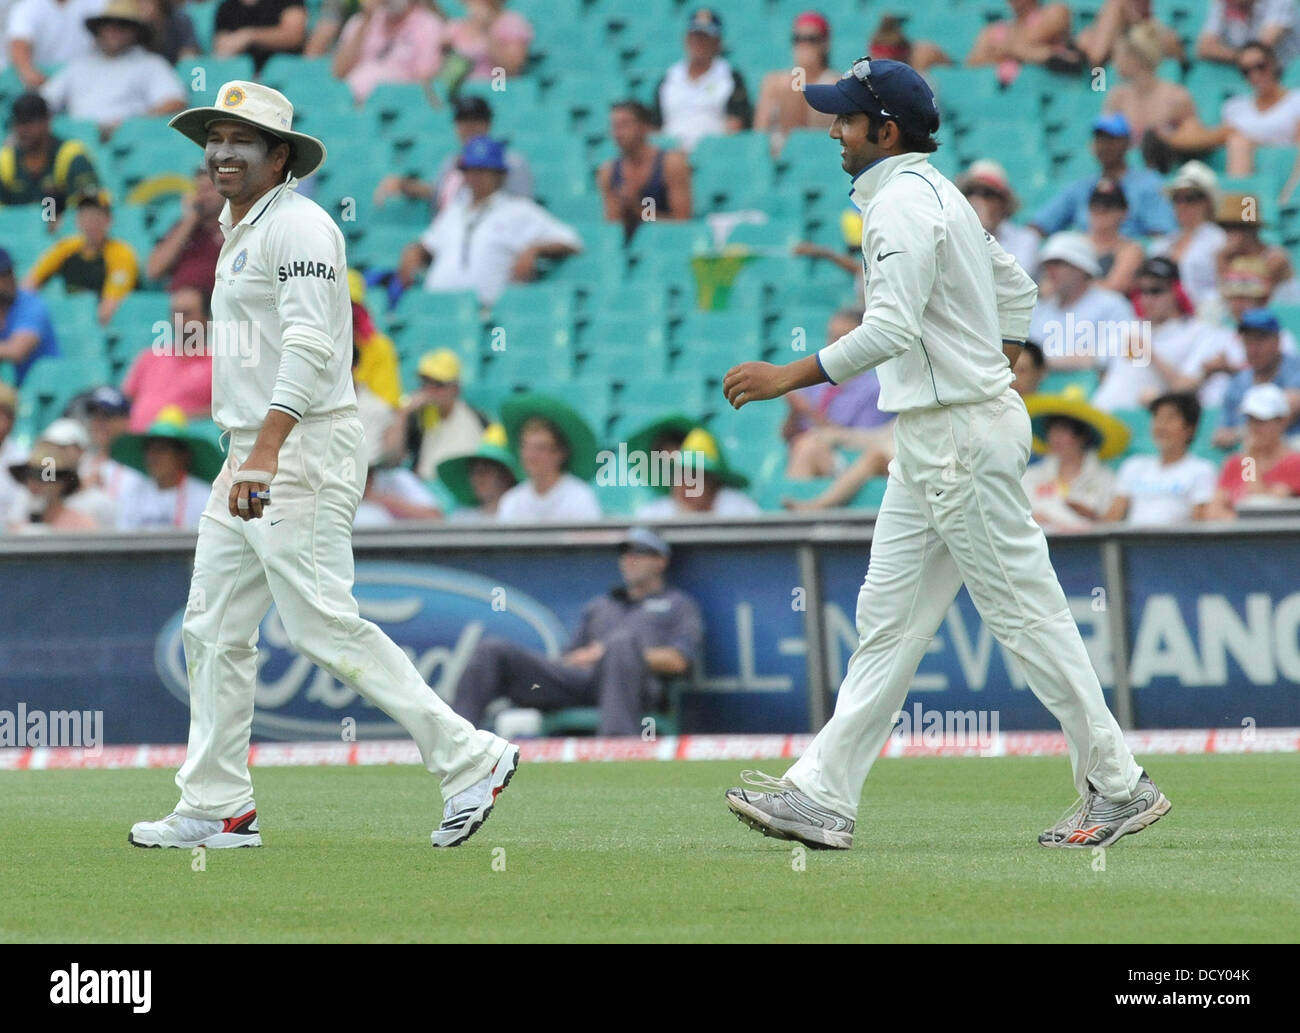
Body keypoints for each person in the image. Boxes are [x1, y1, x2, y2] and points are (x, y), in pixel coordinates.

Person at [718, 57, 1167, 851]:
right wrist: (982, 369)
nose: (834, 131)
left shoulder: (899, 208)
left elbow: (891, 330)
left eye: (847, 120)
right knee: (887, 621)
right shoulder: (941, 196)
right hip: (938, 431)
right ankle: (822, 794)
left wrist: (789, 376)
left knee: (1024, 614)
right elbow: (1019, 293)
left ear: (885, 131)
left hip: (956, 433)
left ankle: (1122, 785)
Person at [127, 80, 517, 852]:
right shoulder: (240, 225)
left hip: (296, 446)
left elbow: (310, 348)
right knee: (211, 626)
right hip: (251, 450)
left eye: (241, 140)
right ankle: (218, 803)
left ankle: (470, 755)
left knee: (320, 624)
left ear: (280, 157)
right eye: (214, 138)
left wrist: (266, 450)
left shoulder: (300, 227)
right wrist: (249, 451)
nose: (221, 152)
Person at [452, 526, 703, 737]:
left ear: (661, 560)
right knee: (492, 649)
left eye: (639, 552)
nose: (629, 559)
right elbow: (568, 659)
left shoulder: (678, 604)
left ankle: (617, 753)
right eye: (625, 552)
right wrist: (584, 659)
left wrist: (609, 652)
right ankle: (455, 744)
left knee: (621, 643)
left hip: (637, 686)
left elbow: (679, 661)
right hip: (581, 683)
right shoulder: (600, 606)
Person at [397, 135, 581, 308]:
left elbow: (571, 240)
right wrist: (414, 249)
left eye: (483, 171)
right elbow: (429, 244)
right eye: (470, 170)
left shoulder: (519, 210)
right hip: (438, 307)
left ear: (500, 175)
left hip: (489, 314)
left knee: (496, 340)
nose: (475, 177)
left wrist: (534, 250)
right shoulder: (454, 211)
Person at [1092, 256, 1222, 411]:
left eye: (1156, 291)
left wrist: (1151, 357)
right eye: (1141, 291)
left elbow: (1185, 387)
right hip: (1101, 413)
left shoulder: (1198, 333)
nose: (1147, 299)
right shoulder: (1129, 328)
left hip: (1146, 421)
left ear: (1176, 291)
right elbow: (1096, 364)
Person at [40, 0, 186, 136]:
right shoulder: (79, 65)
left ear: (135, 31)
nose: (113, 30)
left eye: (122, 24)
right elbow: (44, 101)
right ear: (99, 29)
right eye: (107, 24)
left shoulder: (150, 63)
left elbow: (174, 102)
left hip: (126, 145)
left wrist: (129, 125)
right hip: (78, 139)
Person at [372, 93, 534, 214]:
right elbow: (441, 196)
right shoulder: (452, 162)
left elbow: (521, 209)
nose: (468, 127)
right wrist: (406, 186)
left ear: (488, 123)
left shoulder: (511, 162)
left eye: (475, 120)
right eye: (462, 120)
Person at [1029, 113, 1175, 240]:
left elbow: (1161, 234)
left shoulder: (1148, 183)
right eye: (1100, 139)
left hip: (1130, 259)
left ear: (1127, 142)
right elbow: (1039, 226)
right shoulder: (1081, 187)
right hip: (1086, 259)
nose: (1104, 146)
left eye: (1111, 139)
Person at [23, 187, 138, 324]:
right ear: (77, 220)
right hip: (71, 319)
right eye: (85, 215)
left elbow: (109, 307)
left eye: (96, 216)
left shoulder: (121, 254)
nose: (90, 222)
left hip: (103, 327)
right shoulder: (66, 248)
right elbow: (29, 285)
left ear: (109, 220)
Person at [1026, 232, 1135, 371]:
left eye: (1058, 264)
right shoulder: (1040, 308)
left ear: (1082, 268)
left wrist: (1047, 363)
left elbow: (1121, 352)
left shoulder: (1112, 304)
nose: (1050, 271)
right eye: (1047, 265)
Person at [649, 7, 753, 153]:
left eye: (705, 37)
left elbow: (735, 125)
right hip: (671, 157)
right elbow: (656, 127)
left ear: (717, 41)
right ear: (686, 38)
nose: (699, 42)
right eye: (695, 36)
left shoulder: (730, 77)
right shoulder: (668, 78)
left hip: (713, 155)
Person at [1021, 388, 1126, 531]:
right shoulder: (1031, 475)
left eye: (1064, 432)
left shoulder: (1105, 478)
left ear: (1082, 436)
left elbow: (1108, 525)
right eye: (1053, 431)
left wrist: (1090, 517)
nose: (1056, 439)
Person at [1104, 392, 1217, 524]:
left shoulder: (1201, 470)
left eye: (1170, 418)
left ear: (1189, 428)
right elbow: (1113, 516)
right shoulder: (1134, 466)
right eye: (1157, 417)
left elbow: (1200, 522)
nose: (1161, 426)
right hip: (1134, 541)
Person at [109, 405, 222, 529]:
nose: (153, 457)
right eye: (150, 450)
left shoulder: (203, 498)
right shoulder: (134, 495)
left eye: (161, 449)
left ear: (182, 456)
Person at [495, 392, 600, 522]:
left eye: (540, 448)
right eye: (525, 446)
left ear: (560, 454)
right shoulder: (512, 501)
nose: (530, 455)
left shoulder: (579, 497)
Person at [596, 100, 692, 242]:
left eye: (625, 125)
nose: (618, 133)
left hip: (668, 244)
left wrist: (638, 210)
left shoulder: (671, 164)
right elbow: (613, 228)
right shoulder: (608, 171)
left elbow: (682, 223)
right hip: (629, 248)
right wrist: (625, 209)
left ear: (644, 127)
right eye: (615, 126)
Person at [120, 286, 213, 430]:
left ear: (206, 318)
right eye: (174, 313)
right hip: (137, 444)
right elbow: (123, 402)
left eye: (186, 314)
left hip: (184, 445)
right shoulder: (149, 357)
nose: (179, 320)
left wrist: (178, 419)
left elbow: (226, 412)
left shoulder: (216, 364)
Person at [384, 348, 484, 479]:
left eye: (438, 384)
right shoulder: (419, 416)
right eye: (425, 382)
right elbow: (390, 459)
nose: (429, 390)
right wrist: (403, 414)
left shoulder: (473, 419)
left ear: (456, 388)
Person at [1099, 24, 1197, 156]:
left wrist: (1169, 139)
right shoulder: (1117, 97)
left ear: (1135, 58)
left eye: (1118, 55)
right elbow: (1103, 142)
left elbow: (1195, 139)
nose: (1114, 63)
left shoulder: (1178, 98)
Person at [1207, 382, 1300, 517]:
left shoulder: (1295, 463)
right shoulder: (1234, 463)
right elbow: (1212, 511)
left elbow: (1261, 510)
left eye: (1262, 420)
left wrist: (1250, 459)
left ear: (1282, 421)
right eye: (1250, 419)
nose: (1254, 427)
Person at [752, 10, 837, 156]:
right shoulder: (774, 81)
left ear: (825, 43)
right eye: (798, 39)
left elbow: (800, 133)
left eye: (811, 39)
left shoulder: (835, 82)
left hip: (816, 156)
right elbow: (759, 133)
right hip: (777, 157)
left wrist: (800, 74)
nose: (804, 45)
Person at [1213, 308, 1300, 448]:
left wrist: (1238, 433)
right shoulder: (1238, 382)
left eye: (1260, 340)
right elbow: (1221, 434)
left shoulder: (1295, 368)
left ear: (1277, 340)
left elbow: (1286, 409)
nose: (1253, 349)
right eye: (1248, 341)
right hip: (1253, 456)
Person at [0, 92, 99, 212]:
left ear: (47, 121)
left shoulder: (71, 154)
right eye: (18, 123)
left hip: (65, 230)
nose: (23, 130)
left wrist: (60, 222)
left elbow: (90, 210)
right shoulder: (6, 159)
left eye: (30, 123)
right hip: (19, 230)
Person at [1147, 161, 1226, 311]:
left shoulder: (1219, 240)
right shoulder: (1162, 244)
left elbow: (1224, 286)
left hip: (1206, 314)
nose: (1182, 205)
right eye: (1177, 198)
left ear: (1207, 202)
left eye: (1191, 198)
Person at [635, 426, 761, 519]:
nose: (684, 485)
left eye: (694, 476)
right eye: (678, 475)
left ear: (712, 482)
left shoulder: (740, 511)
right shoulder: (654, 515)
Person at [332, 0, 443, 105]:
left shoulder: (429, 25)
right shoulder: (359, 22)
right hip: (349, 105)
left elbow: (424, 81)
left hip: (396, 107)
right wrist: (366, 20)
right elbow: (339, 72)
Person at [955, 159, 1038, 275]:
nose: (976, 199)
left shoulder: (1025, 240)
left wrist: (982, 232)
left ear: (1003, 203)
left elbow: (1014, 282)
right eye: (970, 192)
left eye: (987, 193)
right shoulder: (954, 237)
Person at [1213, 190, 1297, 301]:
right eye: (1226, 227)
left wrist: (1224, 261)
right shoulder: (1227, 256)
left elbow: (1255, 296)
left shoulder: (1276, 258)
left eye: (1236, 227)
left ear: (1253, 229)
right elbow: (1227, 298)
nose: (1230, 233)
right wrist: (1222, 259)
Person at [966, 0, 1072, 85]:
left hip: (1048, 85)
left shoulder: (1055, 11)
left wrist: (1001, 51)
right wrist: (1037, 53)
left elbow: (1033, 37)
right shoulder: (992, 30)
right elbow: (973, 63)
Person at [7, 0, 104, 89]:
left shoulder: (97, 4)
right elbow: (19, 44)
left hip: (89, 77)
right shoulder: (29, 7)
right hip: (46, 78)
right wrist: (28, 72)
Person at [6, 441, 99, 531]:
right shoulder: (17, 526)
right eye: (31, 476)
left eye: (44, 477)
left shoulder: (82, 527)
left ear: (63, 482)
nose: (34, 485)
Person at [437, 422, 520, 522]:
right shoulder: (461, 518)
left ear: (507, 474)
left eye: (486, 470)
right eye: (473, 471)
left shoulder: (522, 514)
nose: (477, 477)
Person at [0, 245, 58, 385]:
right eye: (2, 275)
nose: (8, 280)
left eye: (8, 273)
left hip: (44, 387)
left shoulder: (31, 304)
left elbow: (17, 351)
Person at [1076, 0, 1183, 69]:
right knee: (1086, 40)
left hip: (1147, 40)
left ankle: (1085, 57)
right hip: (1120, 42)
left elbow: (1145, 19)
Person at [443, 0, 531, 81]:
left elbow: (512, 68)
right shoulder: (456, 27)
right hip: (458, 93)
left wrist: (487, 30)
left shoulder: (511, 23)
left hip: (496, 90)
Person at [1084, 177, 1143, 295]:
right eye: (1095, 205)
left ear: (1124, 212)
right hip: (1070, 312)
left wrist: (1072, 285)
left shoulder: (1130, 249)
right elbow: (1047, 288)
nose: (1100, 211)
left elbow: (1114, 289)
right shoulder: (1073, 242)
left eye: (1108, 207)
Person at [1197, 0, 1300, 67]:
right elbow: (1203, 48)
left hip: (1289, 68)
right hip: (1252, 72)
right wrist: (1240, 56)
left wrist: (1244, 56)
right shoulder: (1224, 3)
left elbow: (1262, 47)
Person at [212, 0, 306, 73]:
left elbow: (294, 36)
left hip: (285, 75)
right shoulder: (226, 7)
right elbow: (220, 49)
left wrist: (249, 36)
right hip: (242, 82)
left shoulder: (286, 2)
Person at [136, 0, 198, 64]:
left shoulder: (180, 20)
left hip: (175, 70)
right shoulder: (135, 27)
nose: (142, 5)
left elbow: (189, 55)